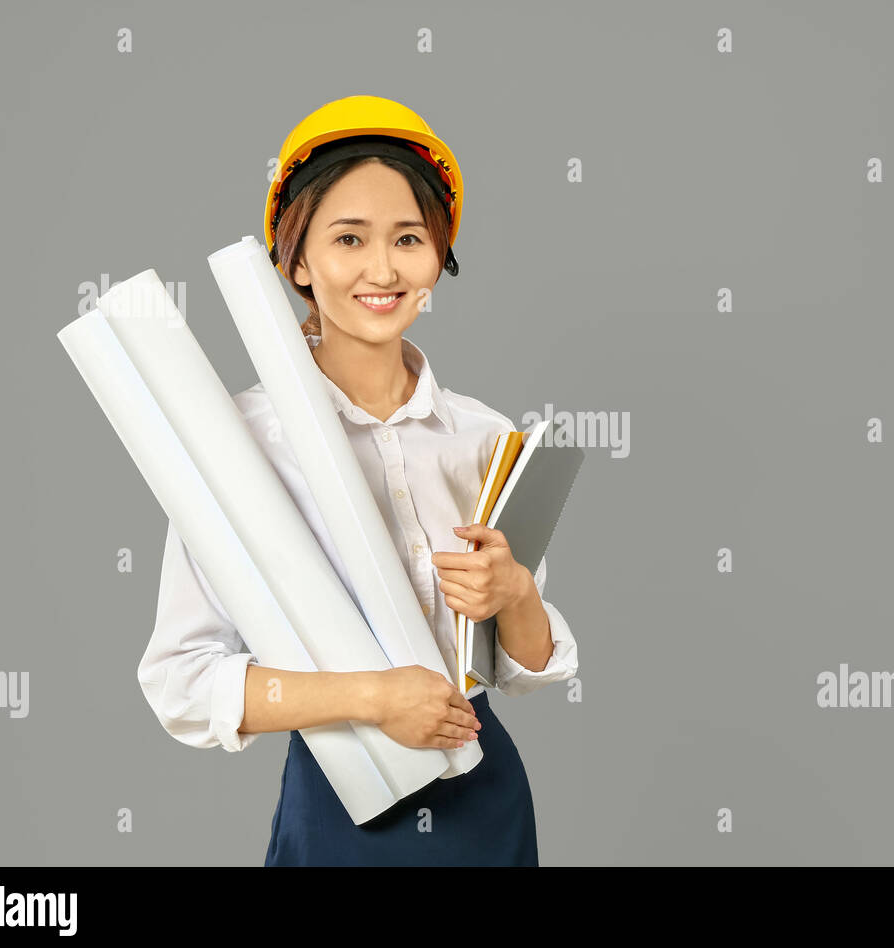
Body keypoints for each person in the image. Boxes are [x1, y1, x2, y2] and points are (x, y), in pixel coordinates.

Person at [137, 95, 579, 866]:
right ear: (297, 260)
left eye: (408, 238)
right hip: (349, 795)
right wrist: (373, 698)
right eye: (349, 238)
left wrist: (516, 593)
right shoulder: (235, 442)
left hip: (486, 792)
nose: (383, 269)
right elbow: (183, 682)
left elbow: (527, 670)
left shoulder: (483, 435)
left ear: (438, 254)